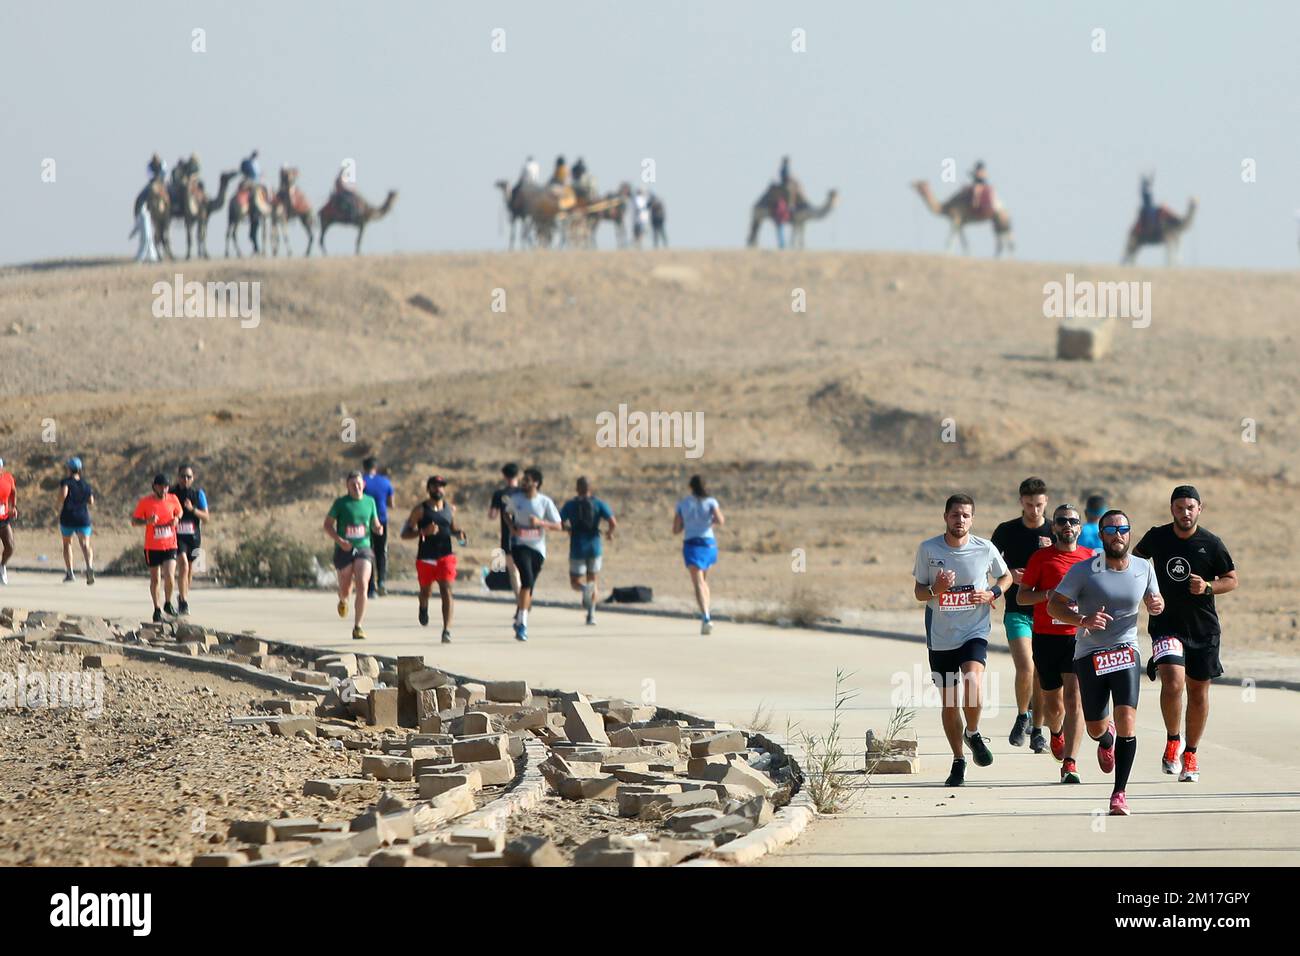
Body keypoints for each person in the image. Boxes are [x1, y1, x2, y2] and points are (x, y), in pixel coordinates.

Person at [1048, 510, 1164, 816]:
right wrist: (1082, 619)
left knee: (1128, 719)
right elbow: (1054, 605)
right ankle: (1105, 736)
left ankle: (1119, 793)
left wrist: (1157, 604)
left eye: (1123, 529)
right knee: (1095, 726)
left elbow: (1155, 600)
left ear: (1129, 533)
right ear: (1101, 536)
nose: (1117, 535)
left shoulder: (1143, 568)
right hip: (1089, 654)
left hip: (1126, 650)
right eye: (1110, 530)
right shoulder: (1085, 570)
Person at [1132, 486, 1238, 782]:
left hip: (1203, 630)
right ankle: (1172, 740)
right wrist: (1147, 593)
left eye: (1190, 507)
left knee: (1198, 692)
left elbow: (1231, 579)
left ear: (1199, 509)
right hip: (1166, 625)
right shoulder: (1157, 536)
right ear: (1172, 510)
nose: (1185, 513)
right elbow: (1134, 565)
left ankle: (1190, 753)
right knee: (1173, 680)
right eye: (1180, 508)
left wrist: (1208, 586)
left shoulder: (1211, 543)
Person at [913, 494, 1012, 786]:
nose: (960, 520)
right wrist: (936, 588)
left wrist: (993, 593)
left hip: (974, 630)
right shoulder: (928, 549)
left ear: (972, 519)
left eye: (966, 516)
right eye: (955, 515)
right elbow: (919, 592)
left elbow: (1006, 577)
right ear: (946, 517)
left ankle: (973, 731)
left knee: (973, 681)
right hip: (941, 635)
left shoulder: (985, 548)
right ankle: (958, 759)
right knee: (949, 703)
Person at [1017, 504, 1094, 782]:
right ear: (1054, 526)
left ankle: (1070, 764)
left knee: (1074, 699)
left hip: (1077, 638)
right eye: (1061, 521)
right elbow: (1021, 598)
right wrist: (1047, 594)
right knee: (1053, 705)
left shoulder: (1089, 559)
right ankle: (1056, 732)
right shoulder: (1040, 558)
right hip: (1046, 638)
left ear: (1080, 527)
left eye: (1073, 521)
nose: (1067, 526)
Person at [991, 476, 1053, 751]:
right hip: (1017, 610)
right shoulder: (1006, 531)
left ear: (1046, 502)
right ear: (1021, 502)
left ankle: (1038, 729)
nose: (1034, 510)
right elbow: (988, 564)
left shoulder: (1054, 531)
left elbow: (1067, 567)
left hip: (1046, 613)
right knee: (1025, 666)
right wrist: (1008, 576)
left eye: (1039, 504)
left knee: (1041, 672)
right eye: (1029, 504)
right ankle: (1021, 716)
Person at [400, 475, 466, 643]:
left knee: (446, 590)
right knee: (425, 592)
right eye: (435, 486)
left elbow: (453, 528)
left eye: (441, 486)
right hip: (425, 558)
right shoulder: (420, 510)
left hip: (446, 556)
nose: (439, 489)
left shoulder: (450, 509)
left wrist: (459, 534)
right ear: (429, 489)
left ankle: (446, 630)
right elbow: (404, 534)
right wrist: (422, 532)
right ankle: (423, 607)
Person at [503, 467, 562, 642]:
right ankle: (522, 624)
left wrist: (540, 522)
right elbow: (506, 512)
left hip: (538, 549)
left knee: (529, 586)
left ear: (536, 483)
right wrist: (512, 527)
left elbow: (558, 525)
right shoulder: (516, 499)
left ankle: (520, 616)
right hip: (520, 546)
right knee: (527, 580)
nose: (524, 482)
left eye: (527, 480)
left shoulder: (544, 502)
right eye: (523, 479)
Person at [324, 470, 383, 640]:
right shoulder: (341, 503)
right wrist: (339, 540)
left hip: (364, 548)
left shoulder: (370, 501)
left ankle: (358, 626)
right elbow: (327, 525)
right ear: (347, 486)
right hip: (344, 549)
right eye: (353, 485)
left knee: (363, 584)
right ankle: (343, 600)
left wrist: (378, 528)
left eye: (359, 484)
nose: (356, 487)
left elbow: (375, 523)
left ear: (363, 485)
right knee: (345, 587)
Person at [560, 477, 617, 626]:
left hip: (577, 547)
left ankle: (584, 588)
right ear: (591, 488)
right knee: (594, 580)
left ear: (577, 488)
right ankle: (591, 615)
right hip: (595, 547)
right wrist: (609, 533)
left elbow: (559, 521)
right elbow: (612, 522)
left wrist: (567, 529)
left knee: (574, 582)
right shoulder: (598, 503)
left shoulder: (570, 505)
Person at [673, 475, 724, 634]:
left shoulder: (683, 504)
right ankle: (707, 612)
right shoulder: (711, 502)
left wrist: (688, 524)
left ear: (690, 487)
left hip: (692, 544)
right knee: (703, 581)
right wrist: (707, 522)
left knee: (698, 583)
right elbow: (720, 520)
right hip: (709, 543)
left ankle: (706, 617)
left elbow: (676, 529)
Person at [132, 474, 183, 622]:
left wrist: (177, 518)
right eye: (161, 486)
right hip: (152, 546)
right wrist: (147, 521)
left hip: (170, 544)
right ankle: (157, 608)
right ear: (154, 487)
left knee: (170, 575)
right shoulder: (145, 502)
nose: (164, 489)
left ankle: (167, 603)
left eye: (166, 486)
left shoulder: (173, 499)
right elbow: (134, 521)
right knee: (155, 579)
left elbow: (179, 511)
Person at [172, 464, 209, 616]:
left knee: (189, 571)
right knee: (184, 566)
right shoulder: (172, 493)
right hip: (176, 536)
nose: (185, 479)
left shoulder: (198, 494)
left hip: (193, 537)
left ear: (193, 478)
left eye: (189, 476)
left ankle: (182, 597)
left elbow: (206, 518)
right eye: (183, 476)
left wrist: (192, 509)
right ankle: (184, 603)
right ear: (178, 477)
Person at [58, 457, 96, 585]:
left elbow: (63, 496)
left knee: (67, 544)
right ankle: (89, 567)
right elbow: (91, 501)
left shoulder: (66, 482)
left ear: (69, 469)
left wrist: (57, 503)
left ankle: (70, 572)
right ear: (79, 470)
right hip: (83, 517)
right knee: (85, 544)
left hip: (68, 516)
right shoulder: (86, 484)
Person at [362, 457, 395, 598]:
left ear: (364, 467)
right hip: (381, 520)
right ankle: (381, 582)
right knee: (381, 552)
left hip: (365, 521)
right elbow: (391, 504)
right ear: (376, 467)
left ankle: (370, 588)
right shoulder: (386, 482)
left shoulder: (361, 481)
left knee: (367, 553)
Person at [488, 463, 523, 598]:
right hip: (526, 536)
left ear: (504, 476)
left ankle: (520, 601)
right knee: (524, 569)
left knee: (513, 571)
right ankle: (524, 599)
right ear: (518, 475)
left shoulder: (499, 494)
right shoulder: (524, 493)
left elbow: (492, 515)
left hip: (508, 537)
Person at [0, 458, 16, 585]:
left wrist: (13, 507)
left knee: (10, 547)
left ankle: (2, 566)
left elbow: (13, 492)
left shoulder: (8, 478)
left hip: (3, 519)